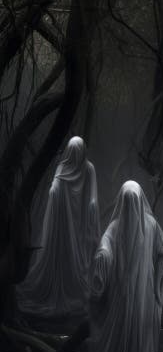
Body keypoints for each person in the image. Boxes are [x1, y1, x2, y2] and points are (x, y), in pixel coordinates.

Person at [87, 181, 163, 352]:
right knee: (124, 330)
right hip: (124, 294)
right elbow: (106, 247)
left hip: (140, 294)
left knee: (136, 331)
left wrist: (155, 282)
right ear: (123, 202)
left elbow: (161, 251)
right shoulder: (121, 227)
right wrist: (103, 256)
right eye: (128, 200)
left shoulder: (146, 225)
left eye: (134, 201)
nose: (132, 205)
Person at [17, 136, 99, 318]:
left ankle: (74, 289)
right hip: (63, 224)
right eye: (72, 151)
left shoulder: (88, 168)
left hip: (80, 223)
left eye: (77, 151)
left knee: (78, 257)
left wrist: (92, 207)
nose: (74, 155)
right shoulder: (63, 167)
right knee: (63, 253)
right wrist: (55, 190)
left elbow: (93, 196)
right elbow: (55, 185)